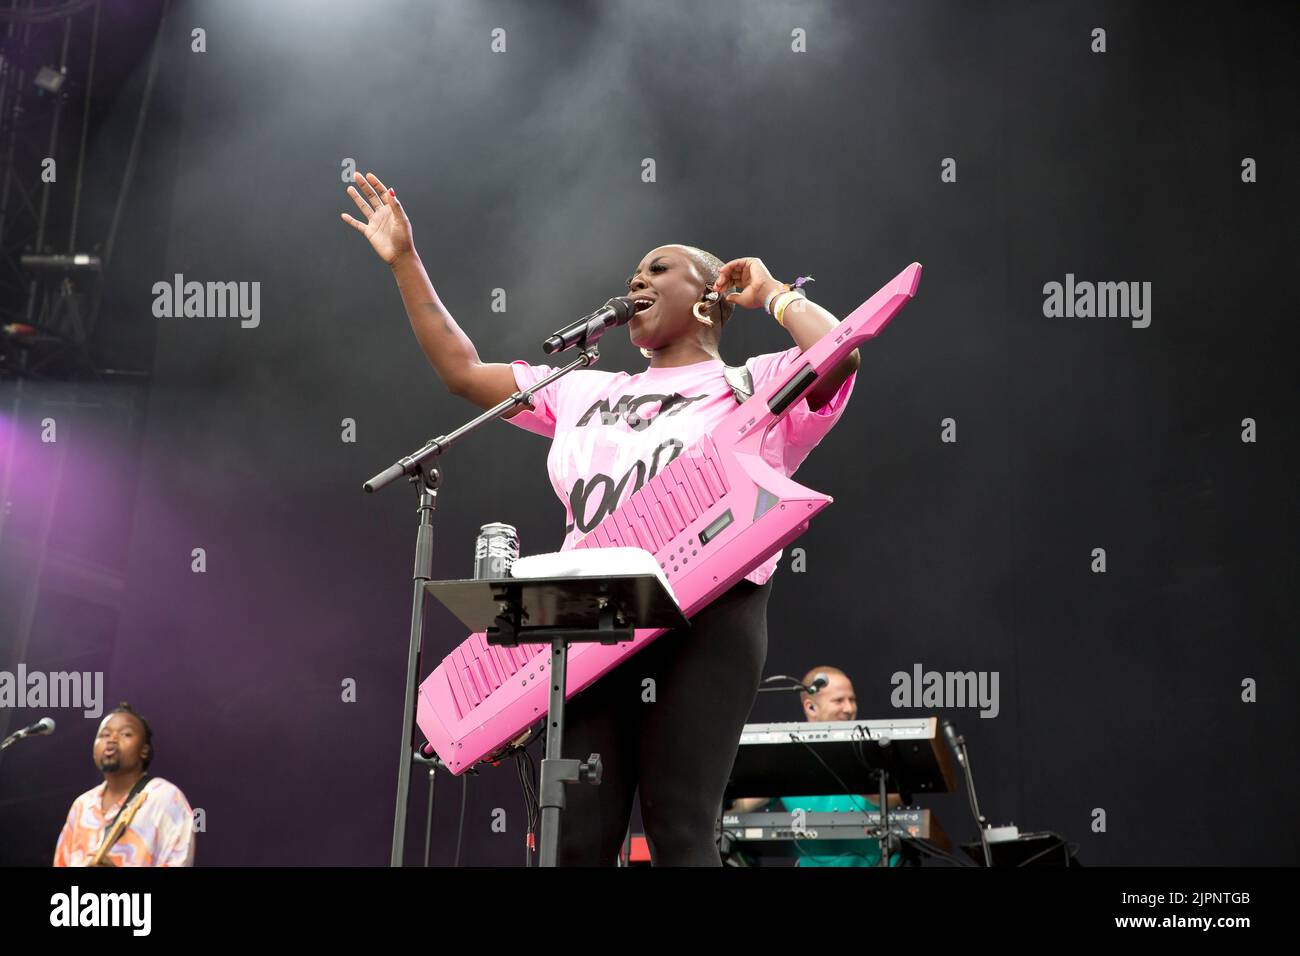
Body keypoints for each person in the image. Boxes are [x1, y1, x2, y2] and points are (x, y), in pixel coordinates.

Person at [341, 170, 860, 865]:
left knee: (680, 829)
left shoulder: (751, 384)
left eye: (658, 268)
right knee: (576, 837)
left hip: (706, 610)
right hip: (589, 612)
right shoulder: (583, 389)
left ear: (708, 299)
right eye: (633, 272)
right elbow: (464, 371)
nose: (636, 278)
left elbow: (840, 352)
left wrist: (770, 293)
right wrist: (405, 261)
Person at [731, 667, 902, 867]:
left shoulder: (872, 748)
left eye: (852, 700)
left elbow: (894, 798)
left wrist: (845, 763)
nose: (849, 708)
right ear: (811, 707)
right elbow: (739, 807)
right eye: (839, 700)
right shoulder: (790, 758)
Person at [53, 702, 195, 867]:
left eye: (125, 734)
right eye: (104, 735)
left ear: (144, 750)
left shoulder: (165, 798)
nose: (112, 739)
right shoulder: (82, 805)